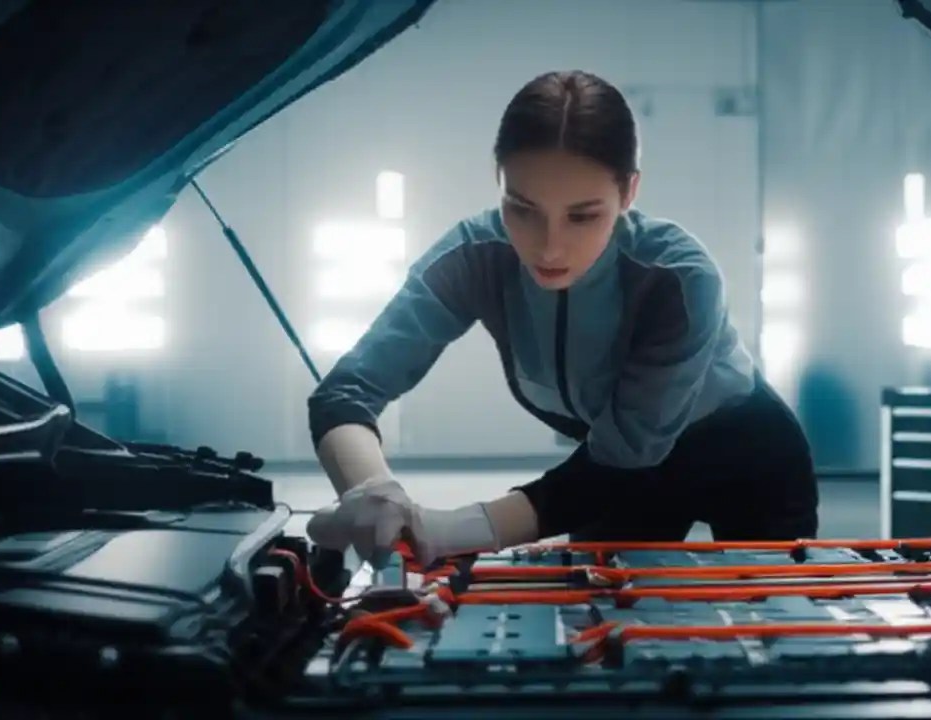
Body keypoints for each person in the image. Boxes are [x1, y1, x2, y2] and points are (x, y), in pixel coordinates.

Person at [305, 70, 818, 569]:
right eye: (522, 208)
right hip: (606, 468)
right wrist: (372, 492)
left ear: (629, 193)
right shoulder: (472, 258)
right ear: (498, 181)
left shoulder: (677, 278)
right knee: (595, 627)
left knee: (773, 629)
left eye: (583, 215)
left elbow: (628, 454)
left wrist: (452, 528)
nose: (549, 246)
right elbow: (345, 392)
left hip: (744, 460)